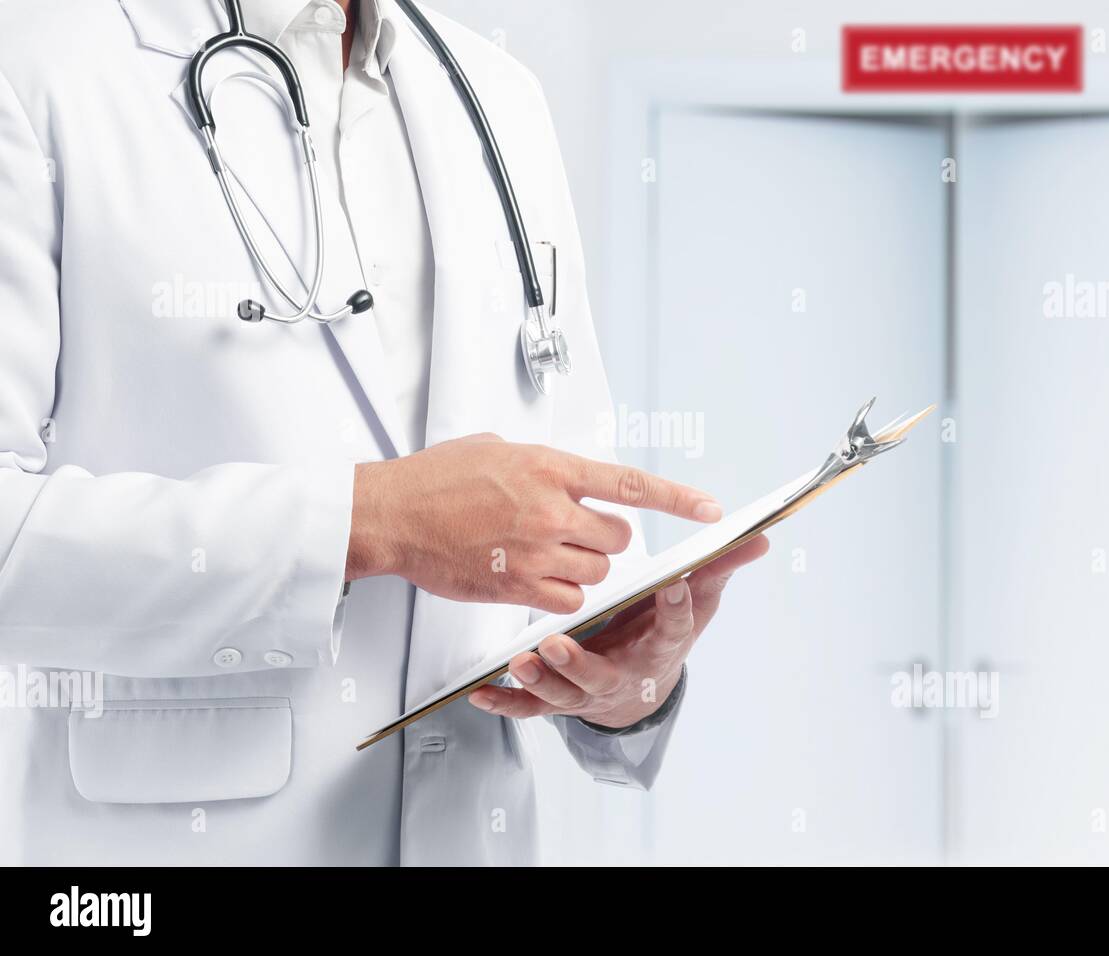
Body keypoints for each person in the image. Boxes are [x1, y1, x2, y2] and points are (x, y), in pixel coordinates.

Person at [0, 0, 767, 865]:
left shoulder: (496, 95)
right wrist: (367, 522)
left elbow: (569, 540)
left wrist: (627, 685)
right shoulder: (38, 71)